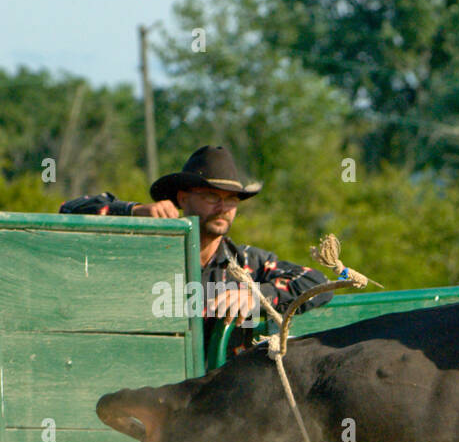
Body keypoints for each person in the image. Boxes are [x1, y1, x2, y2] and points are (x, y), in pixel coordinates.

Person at [60, 145, 332, 355]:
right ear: (182, 198)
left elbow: (317, 282)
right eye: (212, 196)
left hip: (219, 407)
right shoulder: (146, 253)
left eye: (231, 200)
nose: (223, 208)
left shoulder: (247, 262)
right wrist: (134, 211)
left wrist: (257, 295)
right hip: (149, 389)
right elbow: (70, 211)